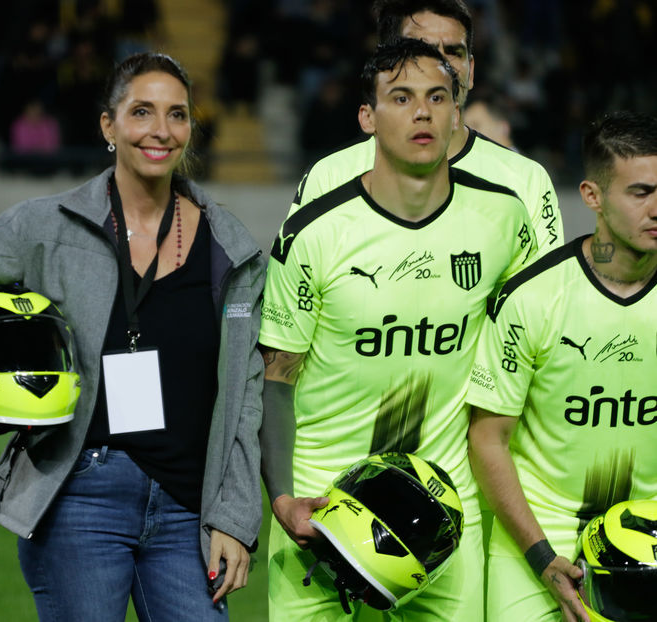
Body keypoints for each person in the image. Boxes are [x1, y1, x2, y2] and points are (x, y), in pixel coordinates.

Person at [0, 52, 266, 621]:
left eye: (177, 115)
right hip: (79, 496)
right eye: (142, 112)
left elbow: (244, 398)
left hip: (188, 508)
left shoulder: (230, 247)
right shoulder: (46, 225)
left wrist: (235, 519)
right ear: (108, 126)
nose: (161, 131)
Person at [259, 37, 536, 622]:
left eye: (438, 96)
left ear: (457, 110)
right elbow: (276, 378)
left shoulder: (504, 218)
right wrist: (283, 498)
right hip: (323, 502)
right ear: (368, 117)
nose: (422, 112)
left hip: (441, 507)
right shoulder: (315, 232)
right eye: (401, 97)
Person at [466, 111, 657, 622]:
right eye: (640, 192)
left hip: (649, 546)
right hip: (536, 545)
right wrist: (542, 557)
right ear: (592, 196)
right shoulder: (533, 297)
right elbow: (488, 439)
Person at [294, 0, 562, 254]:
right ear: (385, 64)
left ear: (470, 69)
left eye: (453, 52)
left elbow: (546, 297)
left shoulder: (525, 180)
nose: (441, 65)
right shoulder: (329, 177)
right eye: (422, 50)